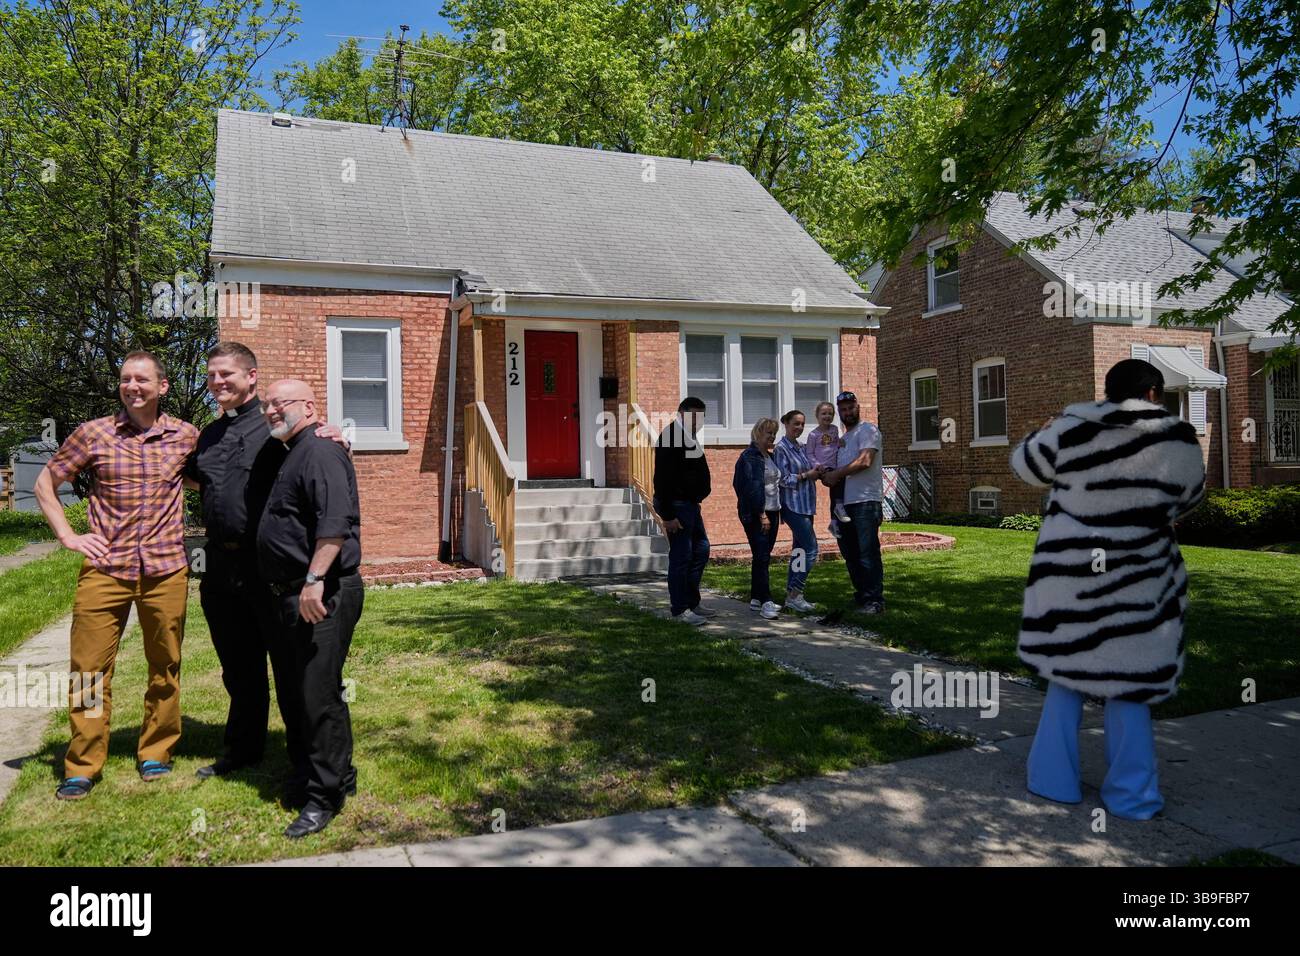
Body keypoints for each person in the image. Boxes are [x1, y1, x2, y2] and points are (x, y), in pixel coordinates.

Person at [1011, 359, 1205, 820]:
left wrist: (1042, 430)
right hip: (1141, 578)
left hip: (1070, 574)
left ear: (1108, 391)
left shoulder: (1073, 428)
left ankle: (1052, 781)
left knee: (1066, 676)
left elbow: (1025, 467)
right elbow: (1190, 497)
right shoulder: (1177, 438)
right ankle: (1133, 797)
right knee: (1132, 685)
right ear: (1155, 393)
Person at [33, 351, 199, 799]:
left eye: (142, 379)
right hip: (105, 569)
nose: (132, 386)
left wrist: (317, 437)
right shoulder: (94, 434)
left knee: (165, 666)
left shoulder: (186, 436)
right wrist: (69, 536)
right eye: (126, 379)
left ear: (161, 387)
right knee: (87, 670)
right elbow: (45, 483)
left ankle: (156, 752)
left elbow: (230, 468)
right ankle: (83, 764)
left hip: (165, 570)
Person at [184, 342, 346, 796]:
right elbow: (197, 476)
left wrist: (336, 434)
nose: (218, 382)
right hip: (219, 569)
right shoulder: (209, 435)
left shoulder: (274, 425)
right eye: (212, 375)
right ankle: (243, 748)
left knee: (289, 669)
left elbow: (311, 448)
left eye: (227, 374)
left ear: (251, 377)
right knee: (238, 668)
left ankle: (303, 760)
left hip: (266, 571)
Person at [256, 379, 365, 838]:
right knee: (297, 691)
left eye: (280, 403)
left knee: (319, 694)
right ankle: (320, 773)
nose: (271, 411)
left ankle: (325, 797)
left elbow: (335, 524)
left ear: (310, 406)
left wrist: (314, 580)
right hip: (290, 593)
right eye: (267, 406)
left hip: (322, 591)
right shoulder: (292, 451)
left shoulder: (320, 450)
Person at [820, 391, 885, 614]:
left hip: (866, 500)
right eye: (843, 409)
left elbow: (865, 461)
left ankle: (875, 600)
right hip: (843, 504)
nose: (847, 412)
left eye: (850, 407)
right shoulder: (842, 439)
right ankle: (862, 595)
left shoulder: (869, 430)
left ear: (858, 406)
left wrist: (836, 474)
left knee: (868, 552)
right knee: (850, 553)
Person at [653, 397, 713, 625]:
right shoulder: (670, 437)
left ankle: (692, 602)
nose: (698, 421)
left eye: (701, 416)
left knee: (701, 550)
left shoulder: (688, 436)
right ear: (681, 413)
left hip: (690, 505)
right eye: (694, 416)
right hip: (677, 506)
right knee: (681, 557)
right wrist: (667, 516)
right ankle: (679, 610)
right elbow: (662, 480)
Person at [772, 409, 825, 612]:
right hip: (793, 506)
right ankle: (796, 592)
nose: (799, 427)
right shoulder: (781, 449)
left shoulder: (802, 448)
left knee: (799, 551)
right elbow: (782, 479)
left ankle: (792, 595)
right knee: (811, 549)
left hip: (806, 505)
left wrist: (818, 471)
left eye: (802, 424)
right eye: (795, 423)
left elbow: (815, 463)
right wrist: (805, 475)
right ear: (785, 424)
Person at [733, 418, 783, 620]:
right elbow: (746, 488)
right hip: (757, 514)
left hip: (773, 511)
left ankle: (755, 598)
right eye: (767, 433)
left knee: (762, 555)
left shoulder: (770, 457)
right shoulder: (748, 457)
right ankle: (766, 602)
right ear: (757, 434)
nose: (771, 437)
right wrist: (761, 515)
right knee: (762, 556)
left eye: (773, 433)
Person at [805, 400, 850, 537]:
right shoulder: (813, 435)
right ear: (817, 416)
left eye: (830, 414)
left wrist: (840, 442)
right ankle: (838, 509)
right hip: (822, 468)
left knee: (836, 490)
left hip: (835, 465)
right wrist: (818, 465)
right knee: (837, 485)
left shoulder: (835, 429)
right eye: (823, 413)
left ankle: (834, 523)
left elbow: (835, 445)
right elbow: (809, 453)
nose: (827, 416)